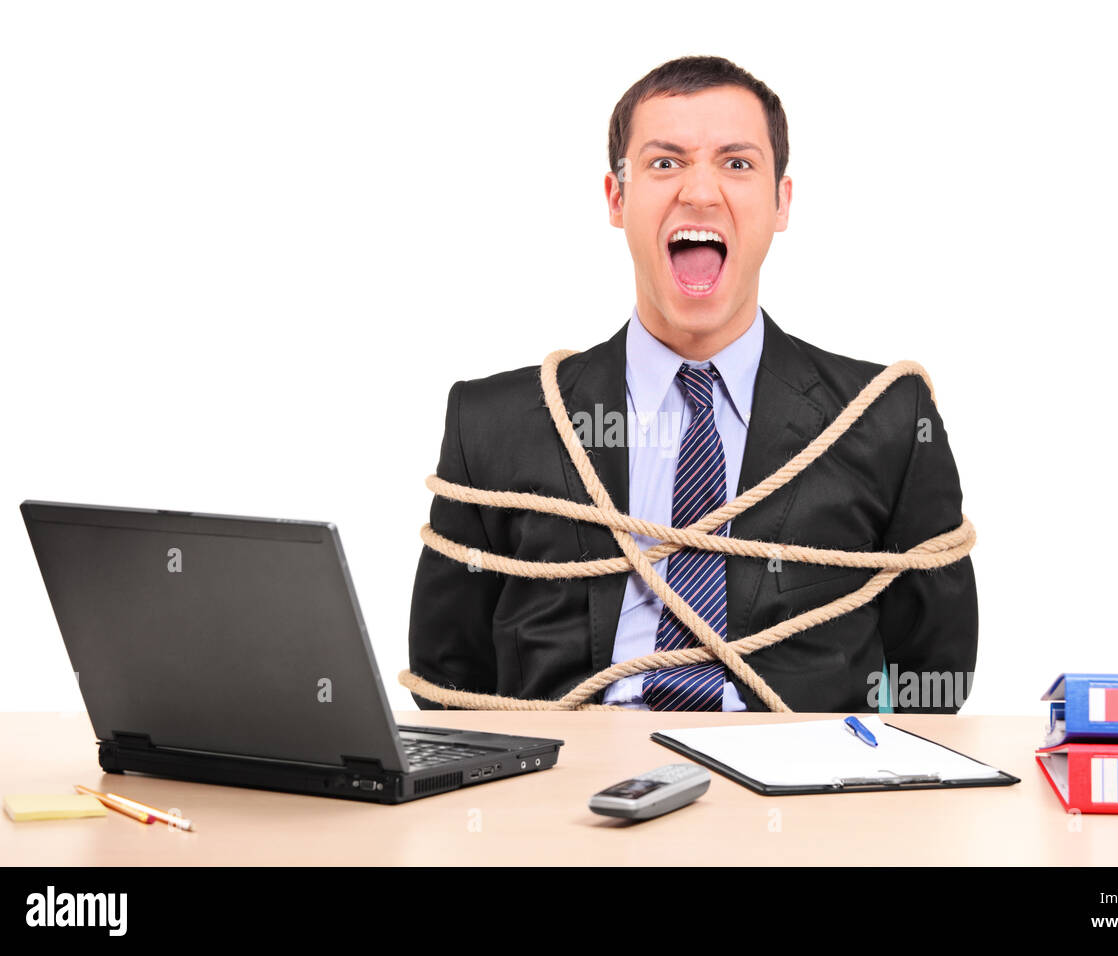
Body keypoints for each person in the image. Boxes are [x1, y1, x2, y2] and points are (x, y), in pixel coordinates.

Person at [408, 55, 976, 712]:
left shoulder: (886, 419)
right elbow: (448, 681)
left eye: (737, 164)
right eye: (665, 163)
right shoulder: (493, 425)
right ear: (617, 199)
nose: (700, 193)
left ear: (781, 202)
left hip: (797, 796)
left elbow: (934, 680)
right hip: (568, 795)